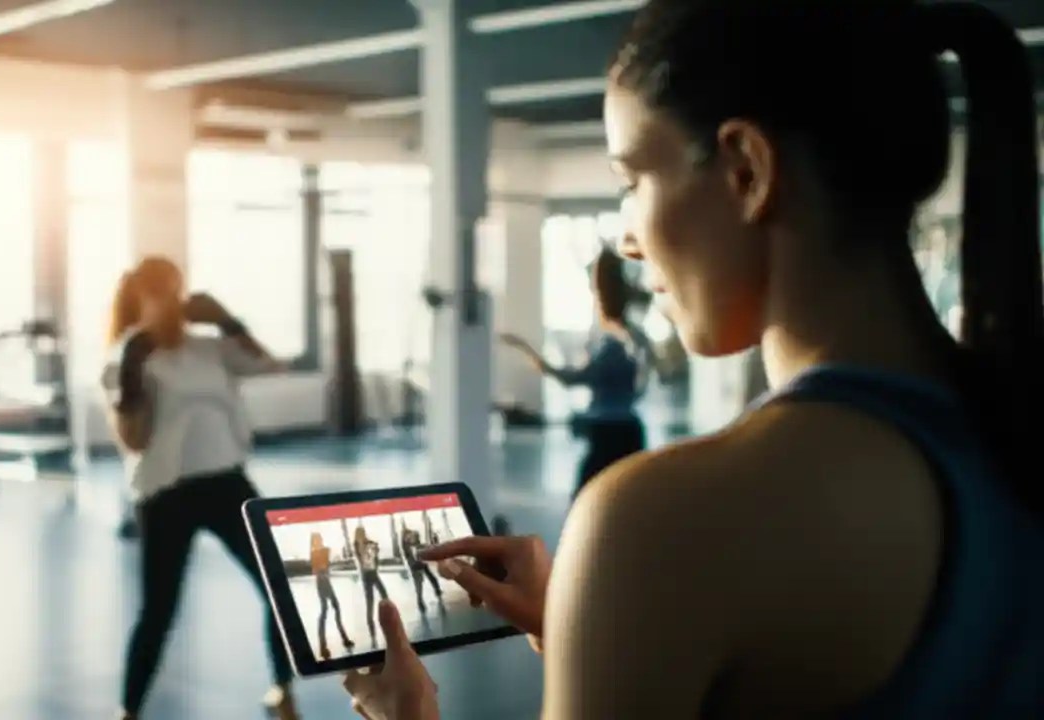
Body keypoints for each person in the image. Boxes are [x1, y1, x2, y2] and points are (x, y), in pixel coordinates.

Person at [343, 1, 1044, 718]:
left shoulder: (659, 523)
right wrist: (600, 639)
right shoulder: (1011, 431)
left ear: (746, 170)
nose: (627, 241)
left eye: (632, 179)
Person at [102, 256, 298, 720]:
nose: (173, 302)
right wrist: (132, 376)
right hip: (167, 492)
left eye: (178, 290)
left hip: (228, 482)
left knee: (280, 584)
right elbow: (133, 440)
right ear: (140, 300)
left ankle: (282, 691)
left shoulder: (208, 348)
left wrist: (227, 319)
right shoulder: (128, 355)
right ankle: (128, 711)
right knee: (159, 611)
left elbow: (269, 365)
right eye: (161, 293)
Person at [502, 248, 652, 498]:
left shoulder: (610, 342)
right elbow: (639, 386)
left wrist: (526, 350)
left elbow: (571, 379)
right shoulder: (635, 337)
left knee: (586, 503)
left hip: (608, 434)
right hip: (627, 430)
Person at [309, 532, 355, 660]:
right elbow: (315, 569)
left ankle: (343, 640)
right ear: (313, 542)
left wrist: (323, 567)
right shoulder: (315, 553)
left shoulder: (324, 551)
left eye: (319, 539)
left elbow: (325, 565)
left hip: (326, 581)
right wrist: (321, 568)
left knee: (335, 608)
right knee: (325, 611)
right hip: (321, 582)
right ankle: (324, 646)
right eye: (316, 540)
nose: (319, 541)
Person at [352, 526, 390, 645]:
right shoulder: (357, 546)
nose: (362, 536)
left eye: (363, 533)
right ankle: (372, 634)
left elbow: (375, 551)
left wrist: (375, 549)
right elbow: (361, 560)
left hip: (373, 573)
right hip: (367, 575)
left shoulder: (369, 543)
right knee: (370, 602)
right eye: (361, 534)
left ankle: (389, 620)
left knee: (384, 595)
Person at [399, 522, 443, 616]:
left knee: (429, 579)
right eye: (408, 536)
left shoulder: (413, 543)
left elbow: (419, 542)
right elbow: (411, 552)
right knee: (420, 583)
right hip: (415, 565)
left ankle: (435, 591)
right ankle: (421, 601)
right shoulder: (407, 546)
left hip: (419, 563)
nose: (411, 537)